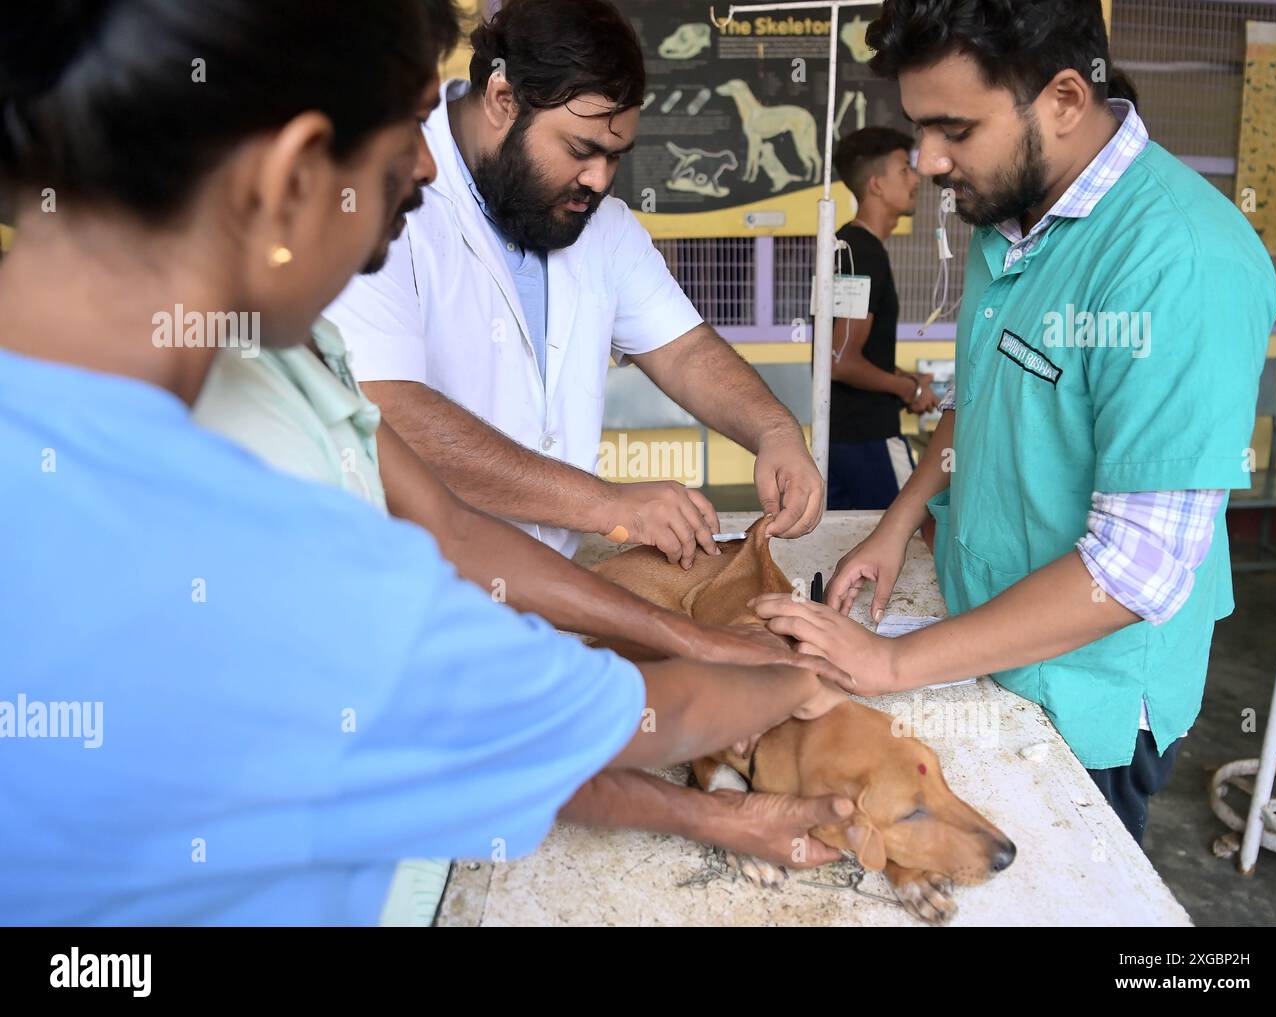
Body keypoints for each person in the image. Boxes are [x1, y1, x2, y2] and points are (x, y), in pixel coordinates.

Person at [0, 0, 845, 925]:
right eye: (406, 128)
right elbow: (579, 720)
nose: (426, 163)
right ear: (289, 178)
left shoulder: (283, 358)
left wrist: (694, 636)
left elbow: (451, 535)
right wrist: (796, 676)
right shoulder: (282, 562)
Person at [752, 0, 1276, 845]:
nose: (926, 160)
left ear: (1066, 99)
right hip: (976, 643)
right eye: (919, 129)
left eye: (952, 128)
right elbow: (981, 397)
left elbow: (1136, 569)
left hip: (1082, 693)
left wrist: (889, 662)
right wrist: (899, 521)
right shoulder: (1015, 225)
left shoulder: (1179, 263)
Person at [324, 0, 825, 570]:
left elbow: (683, 350)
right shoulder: (387, 197)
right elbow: (387, 412)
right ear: (502, 100)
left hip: (544, 586)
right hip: (405, 586)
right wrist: (607, 503)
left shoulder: (599, 222)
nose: (599, 180)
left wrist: (775, 429)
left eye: (616, 157)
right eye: (581, 150)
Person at [828, 126, 938, 510]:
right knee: (908, 543)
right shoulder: (863, 252)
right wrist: (908, 390)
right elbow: (840, 362)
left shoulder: (847, 245)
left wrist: (904, 380)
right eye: (903, 170)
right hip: (869, 439)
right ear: (875, 185)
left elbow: (846, 353)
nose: (916, 178)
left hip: (838, 441)